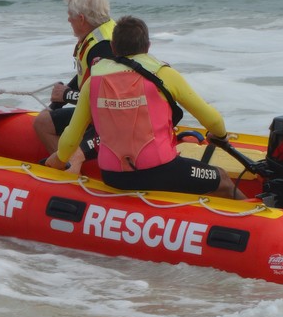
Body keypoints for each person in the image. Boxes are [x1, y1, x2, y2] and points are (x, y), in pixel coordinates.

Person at [47, 15, 243, 199]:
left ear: (113, 47)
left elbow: (72, 136)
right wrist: (221, 135)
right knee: (222, 178)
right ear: (148, 47)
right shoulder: (163, 74)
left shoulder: (94, 81)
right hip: (159, 170)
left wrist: (58, 159)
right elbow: (213, 120)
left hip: (112, 175)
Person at [34, 0, 116, 170]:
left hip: (110, 122)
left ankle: (69, 168)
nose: (68, 19)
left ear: (82, 19)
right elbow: (85, 76)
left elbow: (103, 99)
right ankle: (66, 166)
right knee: (43, 122)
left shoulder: (104, 48)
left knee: (68, 144)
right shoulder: (97, 33)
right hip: (95, 114)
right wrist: (55, 104)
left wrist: (67, 95)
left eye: (70, 14)